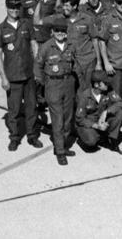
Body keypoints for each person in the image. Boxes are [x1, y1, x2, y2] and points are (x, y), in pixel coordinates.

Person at [0, 0, 40, 151]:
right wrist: (3, 78)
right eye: (11, 7)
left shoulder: (26, 24)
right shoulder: (0, 29)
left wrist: (37, 68)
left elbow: (34, 45)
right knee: (14, 110)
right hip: (13, 76)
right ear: (7, 7)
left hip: (29, 74)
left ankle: (32, 135)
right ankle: (14, 137)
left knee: (32, 107)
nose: (14, 10)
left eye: (17, 7)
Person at [36, 16, 78, 163]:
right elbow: (38, 66)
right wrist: (43, 84)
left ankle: (62, 145)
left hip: (68, 84)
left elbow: (75, 63)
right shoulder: (46, 47)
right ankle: (60, 151)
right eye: (57, 30)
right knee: (58, 120)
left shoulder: (71, 45)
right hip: (53, 85)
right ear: (52, 31)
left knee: (67, 119)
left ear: (66, 32)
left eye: (63, 31)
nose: (60, 33)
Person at [77, 69, 122, 151]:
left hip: (102, 120)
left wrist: (106, 112)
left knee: (120, 113)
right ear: (96, 85)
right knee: (91, 141)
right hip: (90, 124)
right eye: (105, 83)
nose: (108, 84)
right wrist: (97, 126)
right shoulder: (85, 96)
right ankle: (84, 138)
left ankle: (111, 138)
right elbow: (80, 119)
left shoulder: (108, 90)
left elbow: (120, 102)